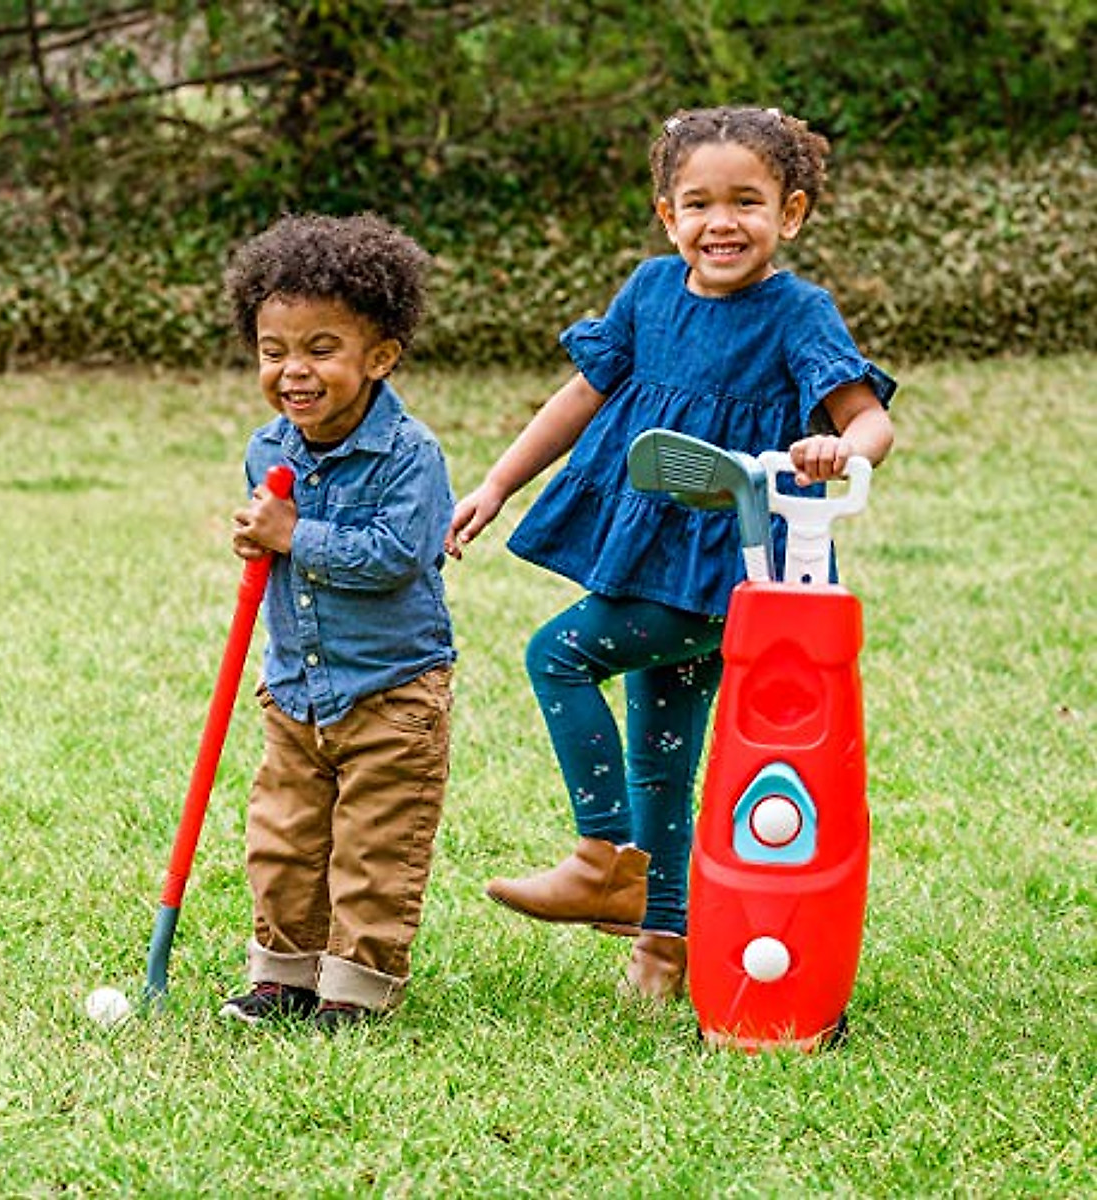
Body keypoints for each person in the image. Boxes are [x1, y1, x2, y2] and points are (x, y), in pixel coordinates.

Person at [447, 106, 896, 1003]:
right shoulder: (651, 293)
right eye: (698, 203)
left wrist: (842, 451)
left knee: (559, 654)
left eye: (747, 203)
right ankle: (662, 951)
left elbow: (868, 418)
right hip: (654, 554)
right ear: (667, 215)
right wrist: (497, 485)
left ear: (791, 214)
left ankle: (600, 856)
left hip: (733, 569)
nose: (721, 223)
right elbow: (581, 395)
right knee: (662, 749)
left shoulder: (796, 314)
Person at [219, 213, 455, 1032]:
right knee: (282, 839)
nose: (293, 370)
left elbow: (396, 555)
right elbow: (276, 543)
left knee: (373, 847)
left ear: (379, 358)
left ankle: (356, 985)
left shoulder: (411, 456)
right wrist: (260, 539)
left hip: (392, 691)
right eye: (273, 350)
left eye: (321, 349)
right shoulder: (267, 448)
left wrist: (293, 536)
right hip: (296, 690)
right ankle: (284, 973)